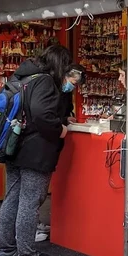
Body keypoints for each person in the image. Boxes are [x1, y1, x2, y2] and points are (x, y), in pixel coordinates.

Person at [0, 45, 75, 256]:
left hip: (13, 146)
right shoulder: (44, 81)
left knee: (12, 199)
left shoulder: (20, 76)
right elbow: (41, 114)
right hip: (35, 151)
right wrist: (59, 130)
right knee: (29, 203)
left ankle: (6, 251)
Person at [35, 63, 84, 243]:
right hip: (40, 150)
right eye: (73, 82)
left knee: (35, 193)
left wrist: (64, 119)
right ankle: (28, 233)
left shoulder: (60, 91)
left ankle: (32, 225)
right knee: (33, 194)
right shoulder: (49, 89)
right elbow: (46, 117)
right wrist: (61, 125)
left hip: (42, 149)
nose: (73, 86)